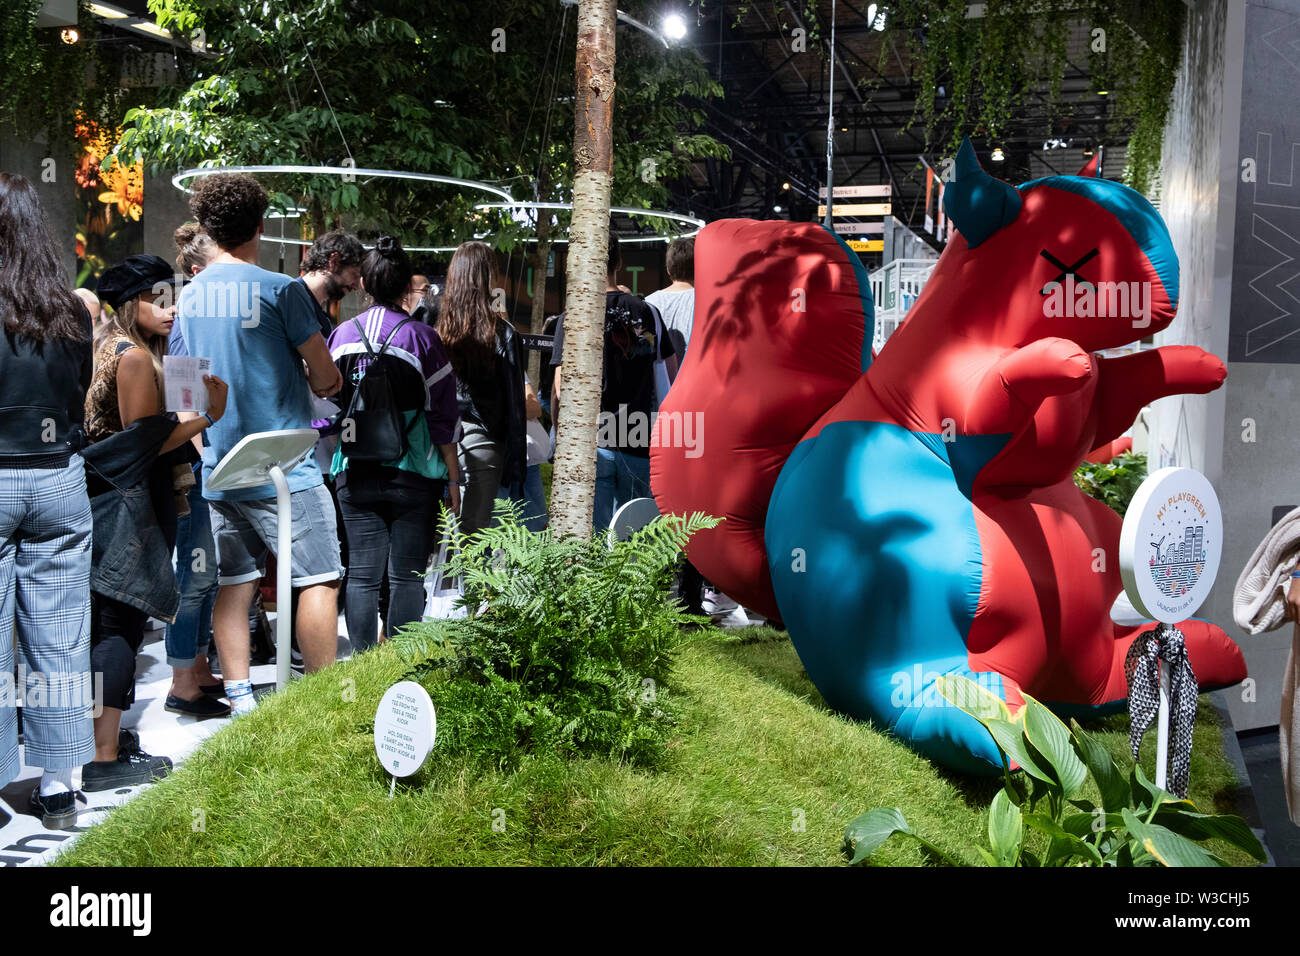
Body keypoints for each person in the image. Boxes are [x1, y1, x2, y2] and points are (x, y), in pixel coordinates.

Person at [178, 173, 343, 716]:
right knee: (318, 576)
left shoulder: (189, 296)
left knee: (236, 581)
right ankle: (320, 704)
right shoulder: (283, 290)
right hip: (285, 467)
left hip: (221, 465)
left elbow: (183, 396)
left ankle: (242, 697)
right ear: (259, 226)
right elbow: (325, 377)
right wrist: (317, 378)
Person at [82, 254, 229, 789]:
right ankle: (102, 760)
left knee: (110, 622)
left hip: (110, 504)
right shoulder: (135, 359)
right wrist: (208, 414)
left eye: (172, 297)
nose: (170, 309)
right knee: (118, 626)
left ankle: (103, 742)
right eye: (156, 298)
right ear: (129, 303)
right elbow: (144, 444)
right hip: (127, 508)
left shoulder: (118, 349)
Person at [0, 172, 96, 829]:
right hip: (59, 478)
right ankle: (58, 784)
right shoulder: (71, 310)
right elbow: (77, 397)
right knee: (60, 638)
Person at [327, 237, 461, 651]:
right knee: (406, 575)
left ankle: (364, 665)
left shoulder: (341, 336)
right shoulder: (423, 338)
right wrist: (454, 480)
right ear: (408, 286)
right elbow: (444, 418)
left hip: (353, 468)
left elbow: (324, 409)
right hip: (415, 471)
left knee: (362, 574)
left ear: (365, 283)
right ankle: (399, 667)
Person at [551, 233, 677, 529]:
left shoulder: (572, 318)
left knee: (591, 536)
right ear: (619, 261)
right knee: (632, 542)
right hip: (638, 438)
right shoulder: (647, 313)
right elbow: (670, 379)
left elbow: (561, 389)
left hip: (589, 444)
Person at [163, 223, 229, 718]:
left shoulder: (199, 313)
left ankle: (198, 666)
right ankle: (181, 678)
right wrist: (207, 455)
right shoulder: (188, 315)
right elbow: (185, 402)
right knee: (195, 572)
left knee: (208, 574)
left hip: (209, 462)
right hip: (198, 466)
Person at [438, 241, 527, 536]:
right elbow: (515, 404)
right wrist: (517, 467)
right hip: (483, 444)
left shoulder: (434, 328)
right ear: (488, 278)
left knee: (436, 541)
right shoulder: (502, 333)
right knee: (473, 541)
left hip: (435, 443)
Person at [298, 230, 363, 339]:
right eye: (354, 275)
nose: (356, 286)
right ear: (334, 261)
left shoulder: (319, 316)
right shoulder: (291, 300)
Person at [645, 236, 695, 360]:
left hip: (659, 377)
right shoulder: (705, 301)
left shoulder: (649, 302)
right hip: (694, 377)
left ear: (668, 269)